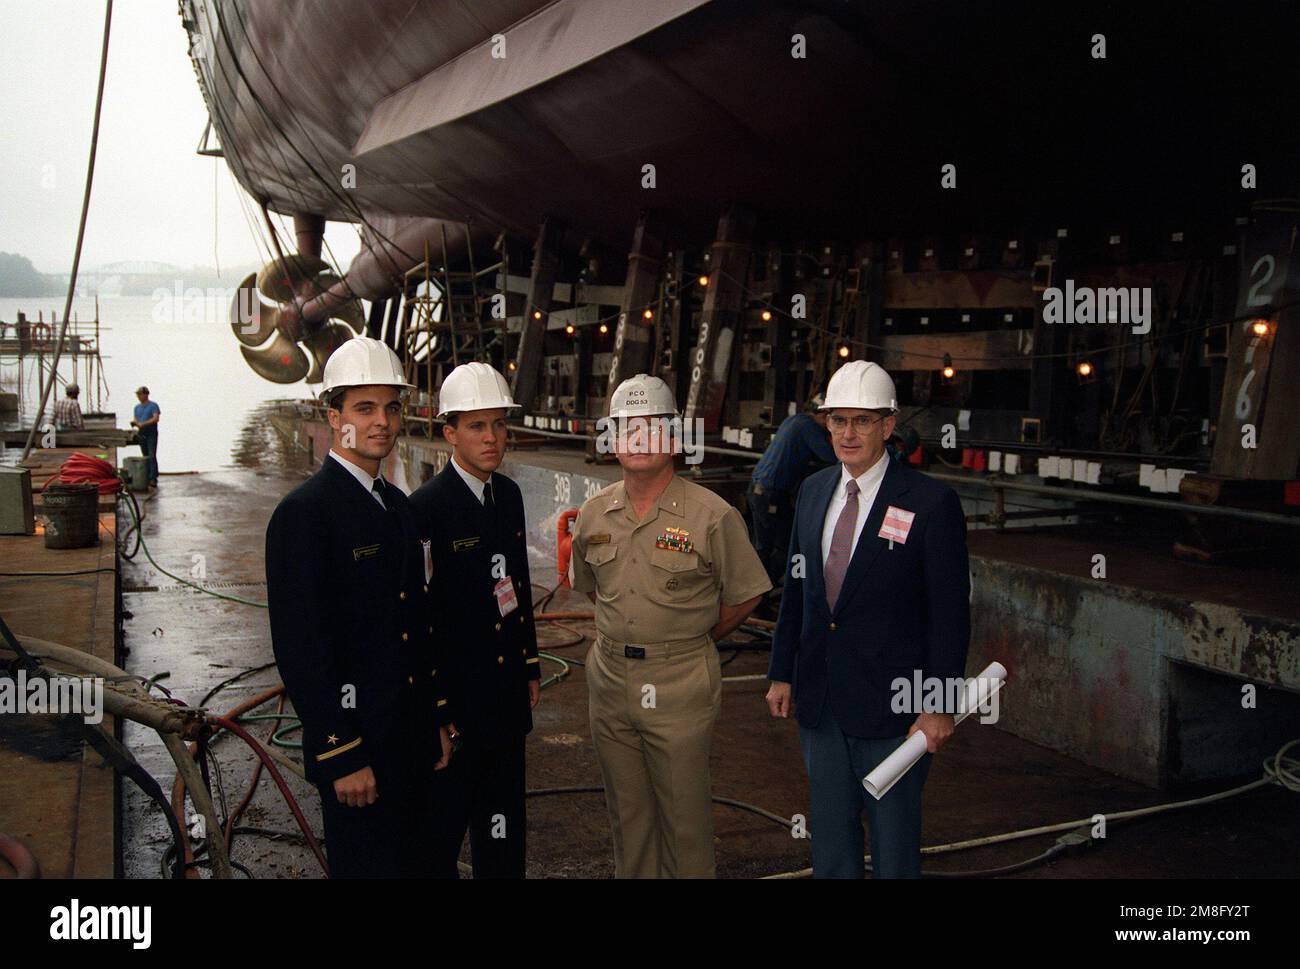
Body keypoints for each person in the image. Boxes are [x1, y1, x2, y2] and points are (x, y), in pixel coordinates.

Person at [765, 360, 970, 879]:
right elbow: (799, 590)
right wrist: (782, 670)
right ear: (826, 424)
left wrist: (940, 706)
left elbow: (950, 615)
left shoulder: (930, 502)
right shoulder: (812, 492)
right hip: (822, 703)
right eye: (838, 420)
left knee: (895, 847)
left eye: (862, 420)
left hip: (895, 710)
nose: (849, 433)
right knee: (832, 845)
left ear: (888, 425)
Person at [264, 337, 454, 878]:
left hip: (412, 744)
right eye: (365, 408)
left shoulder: (398, 508)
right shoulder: (305, 514)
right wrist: (341, 752)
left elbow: (417, 627)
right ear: (334, 416)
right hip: (360, 751)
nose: (383, 422)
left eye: (391, 408)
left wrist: (436, 720)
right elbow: (302, 648)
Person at [567, 374, 772, 878]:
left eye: (651, 427)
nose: (637, 439)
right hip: (610, 680)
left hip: (680, 681)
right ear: (612, 439)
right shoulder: (594, 514)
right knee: (629, 818)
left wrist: (689, 638)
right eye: (626, 428)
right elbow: (594, 589)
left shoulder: (712, 516)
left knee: (685, 821)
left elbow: (747, 594)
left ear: (675, 439)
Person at [409, 362, 540, 879]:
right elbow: (420, 619)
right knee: (440, 839)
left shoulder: (507, 497)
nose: (492, 438)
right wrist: (437, 711)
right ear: (449, 434)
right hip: (458, 710)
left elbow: (520, 588)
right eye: (476, 426)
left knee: (504, 834)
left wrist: (529, 663)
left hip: (505, 701)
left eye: (499, 425)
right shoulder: (425, 509)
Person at [748, 393, 836, 588]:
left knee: (764, 545)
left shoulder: (795, 420)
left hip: (757, 489)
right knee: (783, 545)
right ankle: (762, 592)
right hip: (770, 494)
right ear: (824, 416)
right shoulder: (810, 428)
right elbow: (831, 457)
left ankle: (756, 592)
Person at [130, 387, 160, 488]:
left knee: (152, 455)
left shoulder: (153, 405)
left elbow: (156, 418)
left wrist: (144, 424)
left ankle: (153, 478)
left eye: (140, 394)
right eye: (137, 394)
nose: (138, 396)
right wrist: (135, 423)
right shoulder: (136, 407)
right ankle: (146, 476)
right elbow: (135, 418)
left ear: (146, 394)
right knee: (145, 454)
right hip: (141, 432)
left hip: (151, 431)